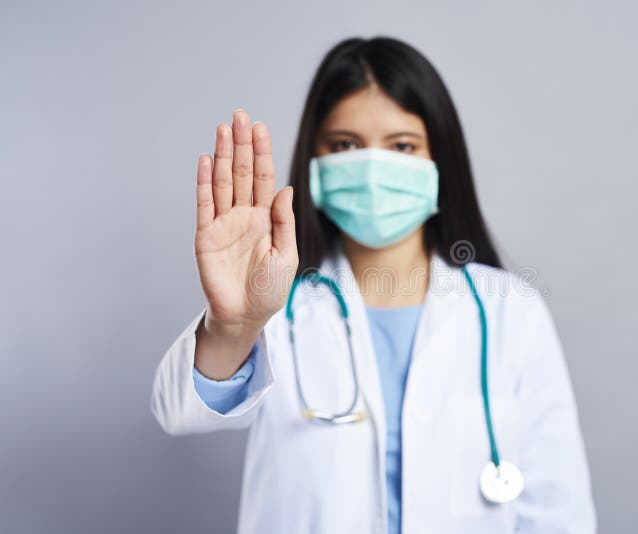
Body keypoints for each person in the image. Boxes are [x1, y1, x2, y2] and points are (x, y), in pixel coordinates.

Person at [151, 36, 596, 534]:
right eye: (345, 145)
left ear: (438, 160)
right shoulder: (276, 306)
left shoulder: (510, 311)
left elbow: (558, 510)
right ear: (314, 158)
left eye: (402, 146)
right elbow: (179, 412)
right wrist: (235, 326)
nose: (372, 167)